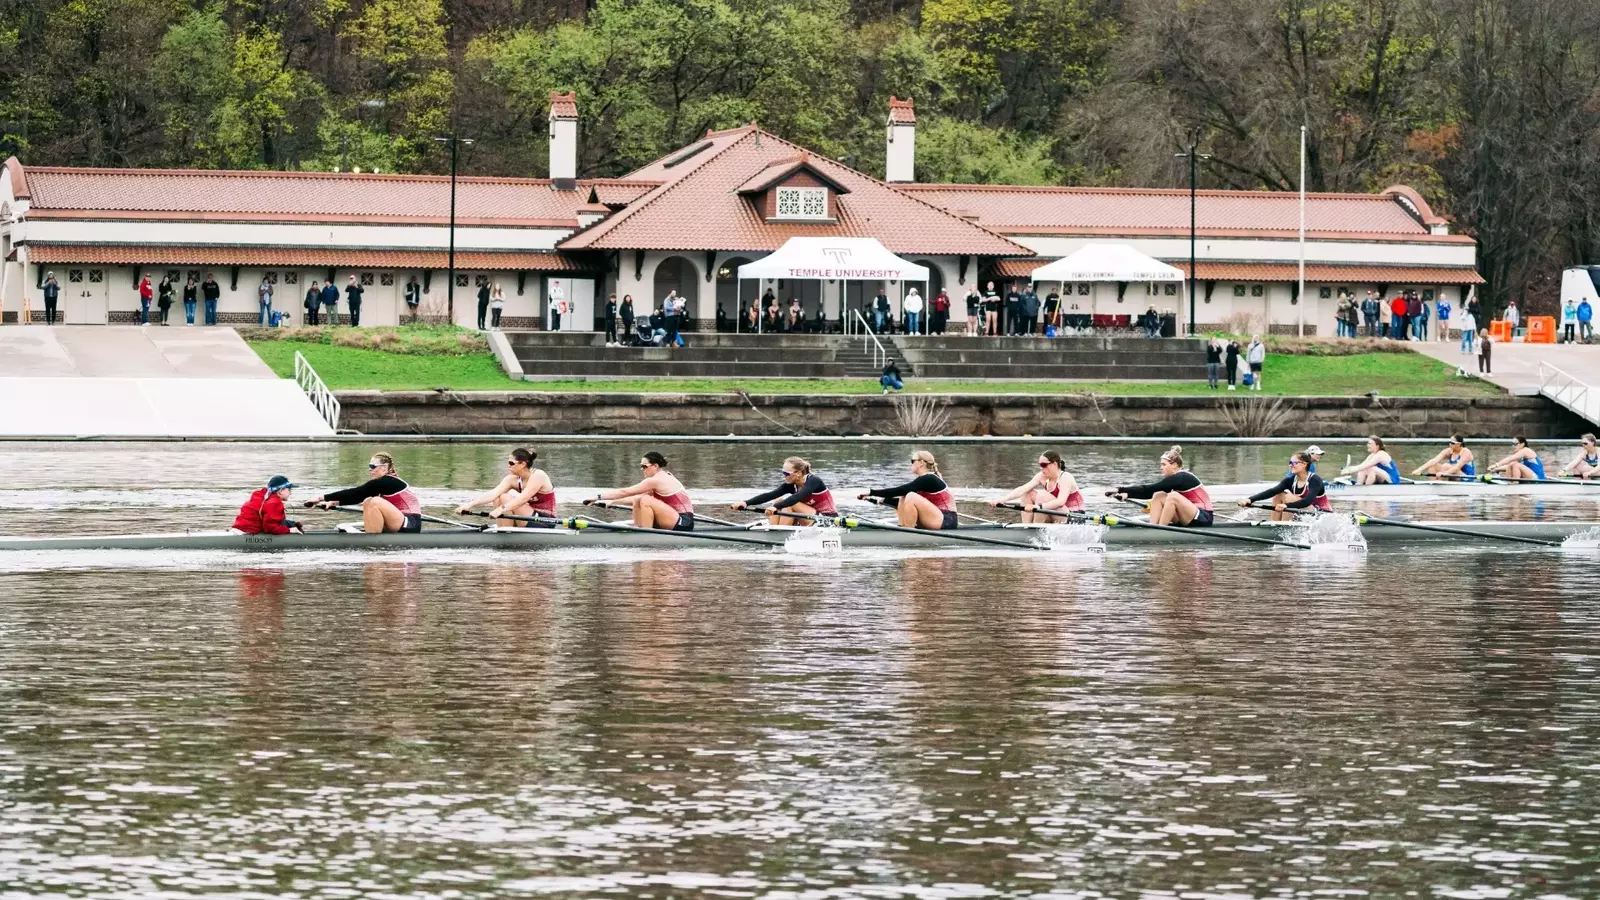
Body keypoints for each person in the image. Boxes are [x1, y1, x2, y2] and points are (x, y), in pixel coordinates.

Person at [305, 452, 423, 533]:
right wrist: (335, 502)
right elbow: (358, 497)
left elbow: (357, 492)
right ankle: (372, 536)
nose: (369, 469)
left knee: (375, 501)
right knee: (368, 501)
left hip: (410, 524)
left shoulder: (389, 482)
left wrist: (321, 498)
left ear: (384, 468)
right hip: (398, 520)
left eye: (372, 466)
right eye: (369, 466)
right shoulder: (384, 483)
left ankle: (372, 539)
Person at [586, 451, 694, 530]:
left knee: (644, 499)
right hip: (672, 518)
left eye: (644, 466)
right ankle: (640, 528)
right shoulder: (663, 477)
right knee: (639, 499)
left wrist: (598, 497)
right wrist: (612, 502)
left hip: (683, 522)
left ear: (655, 466)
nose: (642, 469)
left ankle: (645, 534)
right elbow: (635, 498)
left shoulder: (655, 480)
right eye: (641, 466)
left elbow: (625, 492)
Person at [1109, 445, 1213, 527]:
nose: (1161, 468)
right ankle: (1153, 526)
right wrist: (1127, 495)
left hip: (1203, 517)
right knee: (1158, 495)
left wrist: (1119, 489)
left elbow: (1149, 488)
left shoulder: (1182, 477)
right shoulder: (1173, 480)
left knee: (1172, 497)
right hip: (1187, 516)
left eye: (1164, 465)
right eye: (1160, 465)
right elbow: (1149, 492)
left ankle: (1160, 530)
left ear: (1174, 465)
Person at [455, 447, 556, 527]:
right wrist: (469, 505)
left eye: (511, 463)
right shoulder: (511, 480)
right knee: (498, 497)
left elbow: (522, 499)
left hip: (544, 520)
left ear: (523, 464)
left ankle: (506, 533)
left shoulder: (538, 476)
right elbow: (492, 494)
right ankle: (504, 531)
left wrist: (501, 510)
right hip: (527, 517)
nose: (508, 465)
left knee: (505, 497)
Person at [859, 449, 957, 530]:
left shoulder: (929, 478)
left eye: (912, 461)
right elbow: (904, 501)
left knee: (909, 495)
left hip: (947, 521)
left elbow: (899, 490)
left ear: (921, 463)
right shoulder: (923, 481)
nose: (910, 464)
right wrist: (874, 500)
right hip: (934, 518)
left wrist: (871, 492)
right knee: (904, 496)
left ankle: (908, 531)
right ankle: (902, 527)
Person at [732, 456, 837, 526]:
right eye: (783, 472)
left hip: (827, 519)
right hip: (808, 518)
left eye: (787, 473)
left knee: (790, 503)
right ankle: (773, 530)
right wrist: (746, 503)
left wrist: (776, 508)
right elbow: (769, 495)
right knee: (778, 500)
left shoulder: (814, 481)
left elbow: (798, 497)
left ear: (798, 473)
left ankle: (781, 532)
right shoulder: (791, 485)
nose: (784, 476)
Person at [989, 450, 1084, 523]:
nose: (1041, 468)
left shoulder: (1065, 477)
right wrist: (1003, 499)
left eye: (1044, 465)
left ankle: (1035, 528)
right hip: (1057, 515)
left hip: (1074, 518)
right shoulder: (1042, 476)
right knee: (1027, 493)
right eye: (1040, 465)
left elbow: (1060, 502)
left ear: (1054, 464)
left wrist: (1037, 507)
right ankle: (1027, 527)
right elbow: (1023, 489)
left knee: (1041, 495)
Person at [1240, 451, 1330, 521]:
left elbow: (1307, 501)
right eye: (1290, 463)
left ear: (1304, 464)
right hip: (1302, 511)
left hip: (1321, 514)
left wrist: (1286, 505)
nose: (1290, 465)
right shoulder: (1291, 480)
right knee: (1278, 495)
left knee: (1289, 497)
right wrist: (1250, 499)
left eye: (1293, 463)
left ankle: (1285, 526)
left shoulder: (1315, 479)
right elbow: (1272, 491)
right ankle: (1275, 523)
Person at [232, 475, 304, 535]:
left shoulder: (262, 496)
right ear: (281, 491)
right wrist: (289, 530)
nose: (290, 493)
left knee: (288, 523)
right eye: (289, 490)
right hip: (248, 532)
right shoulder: (274, 502)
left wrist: (291, 524)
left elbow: (270, 520)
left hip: (239, 528)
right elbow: (270, 528)